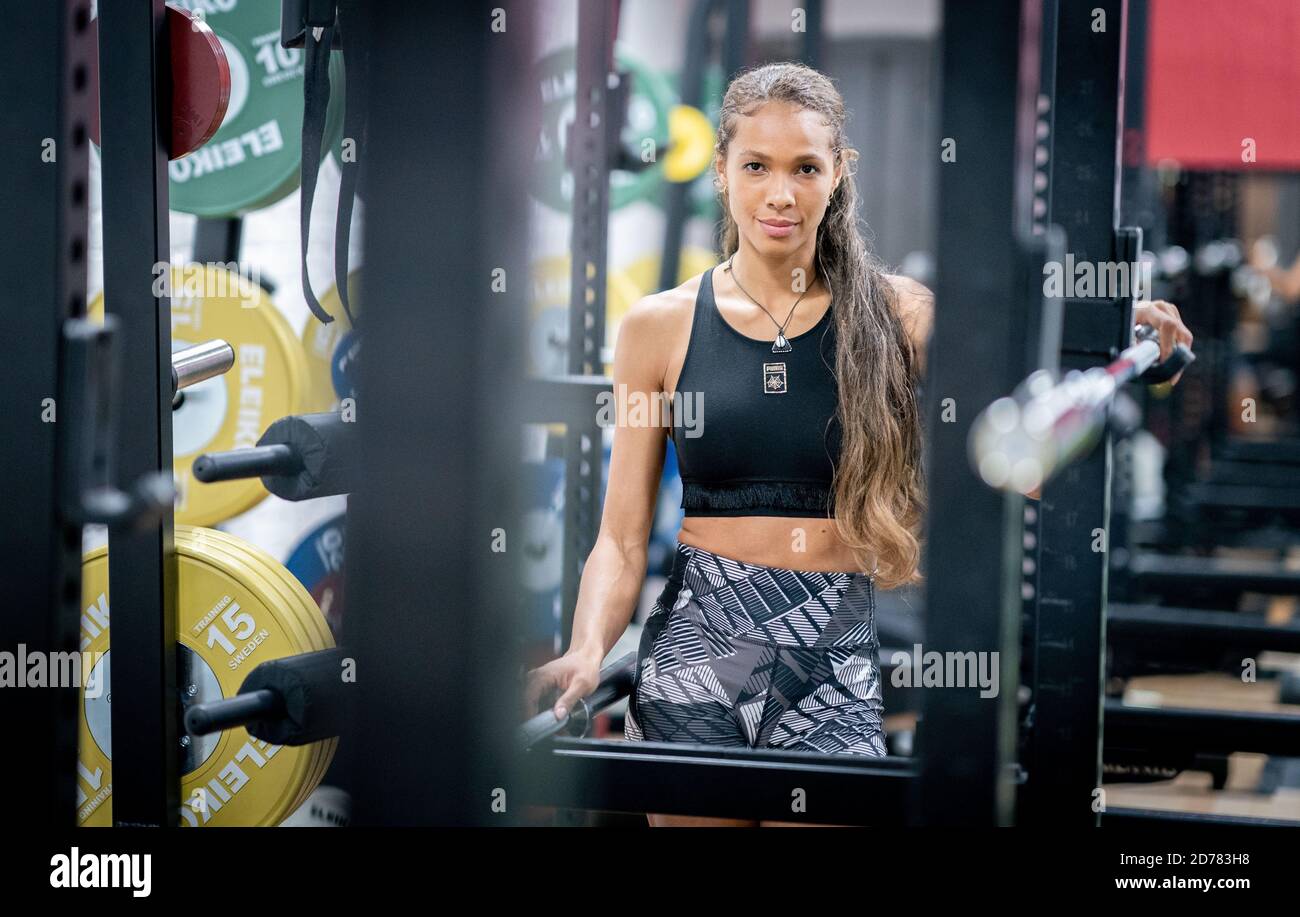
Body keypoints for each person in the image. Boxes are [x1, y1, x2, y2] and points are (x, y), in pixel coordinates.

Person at [524, 61, 1193, 827]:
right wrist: (584, 649)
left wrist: (1114, 324)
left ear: (839, 172)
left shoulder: (899, 315)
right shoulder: (657, 326)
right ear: (721, 172)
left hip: (832, 662)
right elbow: (619, 534)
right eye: (757, 167)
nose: (781, 193)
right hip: (697, 659)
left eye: (806, 167)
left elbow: (1015, 374)